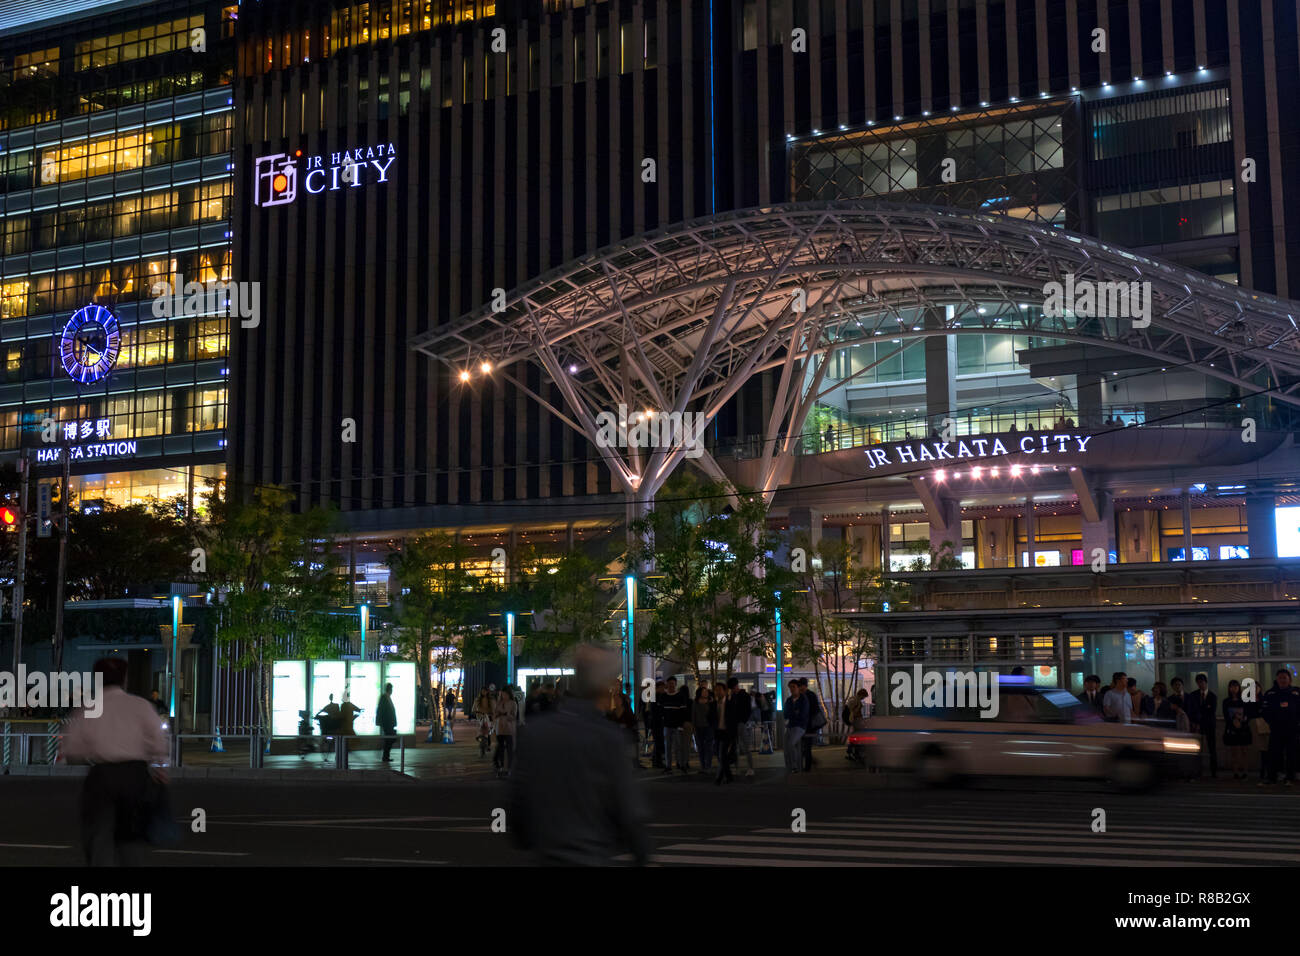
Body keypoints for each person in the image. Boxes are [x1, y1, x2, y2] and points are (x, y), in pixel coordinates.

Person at [509, 644, 650, 865]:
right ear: (606, 687)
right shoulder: (608, 738)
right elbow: (630, 814)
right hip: (590, 854)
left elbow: (516, 804)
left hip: (546, 854)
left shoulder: (535, 732)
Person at [61, 658, 171, 866]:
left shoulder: (89, 708)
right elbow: (159, 742)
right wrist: (159, 767)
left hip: (102, 776)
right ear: (125, 679)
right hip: (135, 775)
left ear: (97, 679)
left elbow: (72, 749)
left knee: (99, 835)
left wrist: (89, 755)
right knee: (131, 837)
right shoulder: (140, 705)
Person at [1261, 669, 1300, 786]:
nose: (1282, 680)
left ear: (1289, 679)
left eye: (1285, 678)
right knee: (1273, 753)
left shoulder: (1296, 693)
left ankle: (1290, 778)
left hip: (1292, 729)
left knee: (1291, 754)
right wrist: (1271, 722)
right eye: (1280, 678)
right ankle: (1271, 777)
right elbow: (1265, 711)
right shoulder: (1270, 694)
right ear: (1276, 680)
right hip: (1276, 729)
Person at [1187, 673, 1218, 778]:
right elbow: (1191, 711)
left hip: (1209, 725)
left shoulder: (1212, 696)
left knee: (1212, 748)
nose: (1200, 684)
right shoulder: (1193, 695)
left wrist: (1201, 713)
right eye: (1198, 682)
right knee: (1197, 749)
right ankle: (1197, 771)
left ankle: (1214, 771)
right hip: (1197, 725)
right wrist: (1196, 722)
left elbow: (1211, 711)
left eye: (1202, 682)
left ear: (1206, 682)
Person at [1222, 680, 1251, 780]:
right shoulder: (1226, 701)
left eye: (1236, 687)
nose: (1234, 689)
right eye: (1232, 687)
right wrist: (1233, 723)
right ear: (1229, 688)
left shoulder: (1244, 700)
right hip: (1231, 729)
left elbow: (1247, 715)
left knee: (1244, 751)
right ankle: (1235, 772)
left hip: (1243, 729)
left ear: (1239, 688)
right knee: (1234, 751)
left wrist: (1241, 723)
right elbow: (1226, 716)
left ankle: (1245, 772)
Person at [660, 676, 690, 773]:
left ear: (675, 684)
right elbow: (661, 711)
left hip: (677, 725)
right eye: (669, 684)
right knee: (667, 746)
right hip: (667, 725)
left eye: (673, 684)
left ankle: (681, 764)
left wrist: (682, 724)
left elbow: (683, 711)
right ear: (667, 685)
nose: (671, 686)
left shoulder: (680, 696)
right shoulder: (663, 696)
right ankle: (668, 765)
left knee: (679, 746)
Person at [728, 677, 754, 777]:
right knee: (737, 746)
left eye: (732, 688)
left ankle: (749, 768)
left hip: (740, 723)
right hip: (737, 723)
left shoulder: (742, 696)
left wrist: (743, 721)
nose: (732, 690)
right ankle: (739, 768)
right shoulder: (735, 696)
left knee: (743, 746)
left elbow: (748, 710)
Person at [798, 677, 825, 771]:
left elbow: (814, 710)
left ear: (805, 686)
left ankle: (807, 767)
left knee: (807, 746)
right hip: (805, 725)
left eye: (801, 686)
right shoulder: (806, 695)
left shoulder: (809, 695)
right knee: (804, 747)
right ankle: (806, 764)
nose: (800, 688)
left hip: (808, 726)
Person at [492, 686, 518, 778]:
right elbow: (494, 715)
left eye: (505, 694)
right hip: (500, 729)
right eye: (502, 694)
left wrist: (506, 714)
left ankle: (509, 768)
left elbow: (514, 716)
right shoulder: (499, 703)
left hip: (509, 729)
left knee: (509, 749)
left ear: (509, 694)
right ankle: (501, 767)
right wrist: (498, 714)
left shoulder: (513, 703)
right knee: (501, 749)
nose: (504, 696)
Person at [783, 680, 808, 774]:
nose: (791, 689)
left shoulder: (803, 699)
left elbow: (803, 715)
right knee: (786, 747)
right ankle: (789, 767)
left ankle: (795, 766)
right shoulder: (789, 700)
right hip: (790, 726)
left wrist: (792, 714)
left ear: (798, 688)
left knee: (791, 744)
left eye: (793, 687)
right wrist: (794, 713)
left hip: (800, 726)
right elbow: (785, 714)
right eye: (790, 687)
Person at [692, 686, 714, 773]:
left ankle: (708, 765)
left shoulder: (711, 702)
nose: (706, 693)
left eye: (707, 691)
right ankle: (703, 765)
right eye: (704, 691)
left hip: (709, 726)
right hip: (698, 727)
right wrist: (693, 726)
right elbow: (693, 714)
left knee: (708, 746)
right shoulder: (695, 702)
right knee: (700, 747)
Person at [377, 682, 398, 763]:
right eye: (391, 689)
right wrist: (381, 722)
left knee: (389, 739)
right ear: (389, 689)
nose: (392, 691)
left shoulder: (387, 697)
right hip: (387, 723)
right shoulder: (384, 697)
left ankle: (386, 756)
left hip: (389, 723)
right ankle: (385, 756)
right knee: (389, 739)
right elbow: (381, 710)